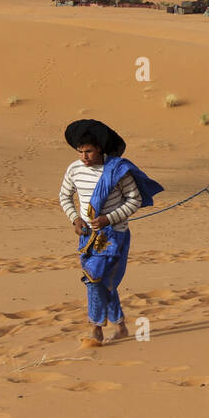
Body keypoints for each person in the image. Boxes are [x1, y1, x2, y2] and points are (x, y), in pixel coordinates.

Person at [59, 119, 163, 344]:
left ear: (100, 149)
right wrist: (75, 219)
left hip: (114, 235)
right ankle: (120, 325)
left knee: (94, 278)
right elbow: (64, 196)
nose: (84, 157)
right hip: (87, 237)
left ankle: (95, 328)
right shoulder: (74, 169)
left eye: (88, 151)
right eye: (80, 152)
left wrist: (109, 218)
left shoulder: (116, 170)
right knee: (103, 281)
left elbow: (134, 200)